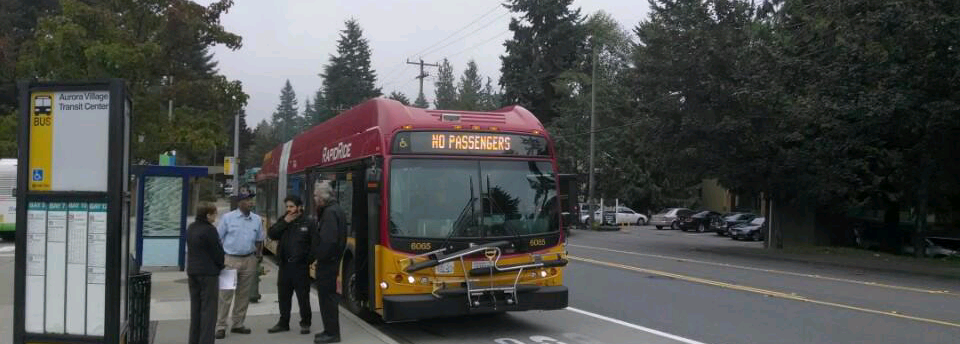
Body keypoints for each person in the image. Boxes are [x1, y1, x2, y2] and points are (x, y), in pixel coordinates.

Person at [215, 192, 264, 339]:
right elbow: (218, 238)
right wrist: (220, 258)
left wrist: (257, 256)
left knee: (243, 295)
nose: (251, 202)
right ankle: (221, 326)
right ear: (239, 203)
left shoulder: (256, 219)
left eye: (252, 200)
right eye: (247, 200)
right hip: (230, 260)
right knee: (225, 295)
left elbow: (259, 240)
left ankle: (238, 324)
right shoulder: (228, 218)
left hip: (249, 260)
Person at [266, 196, 315, 335]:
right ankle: (283, 323)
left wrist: (307, 261)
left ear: (299, 207)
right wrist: (284, 222)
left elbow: (315, 245)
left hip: (300, 267)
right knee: (283, 296)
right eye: (287, 207)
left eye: (292, 207)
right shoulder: (284, 220)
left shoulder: (309, 222)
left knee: (303, 297)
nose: (289, 210)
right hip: (284, 266)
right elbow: (272, 234)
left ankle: (305, 323)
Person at [312, 181, 346, 344]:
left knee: (327, 299)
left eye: (316, 196)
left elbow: (328, 241)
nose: (315, 199)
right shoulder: (334, 209)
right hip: (331, 262)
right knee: (327, 298)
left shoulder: (330, 212)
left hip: (327, 264)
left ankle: (332, 333)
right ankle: (329, 330)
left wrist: (319, 257)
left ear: (323, 197)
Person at [186, 203, 225, 344]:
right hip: (208, 274)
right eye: (214, 214)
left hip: (193, 272)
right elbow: (218, 253)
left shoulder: (191, 228)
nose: (216, 216)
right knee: (209, 311)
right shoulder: (210, 230)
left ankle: (194, 340)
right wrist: (221, 266)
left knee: (195, 309)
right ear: (208, 215)